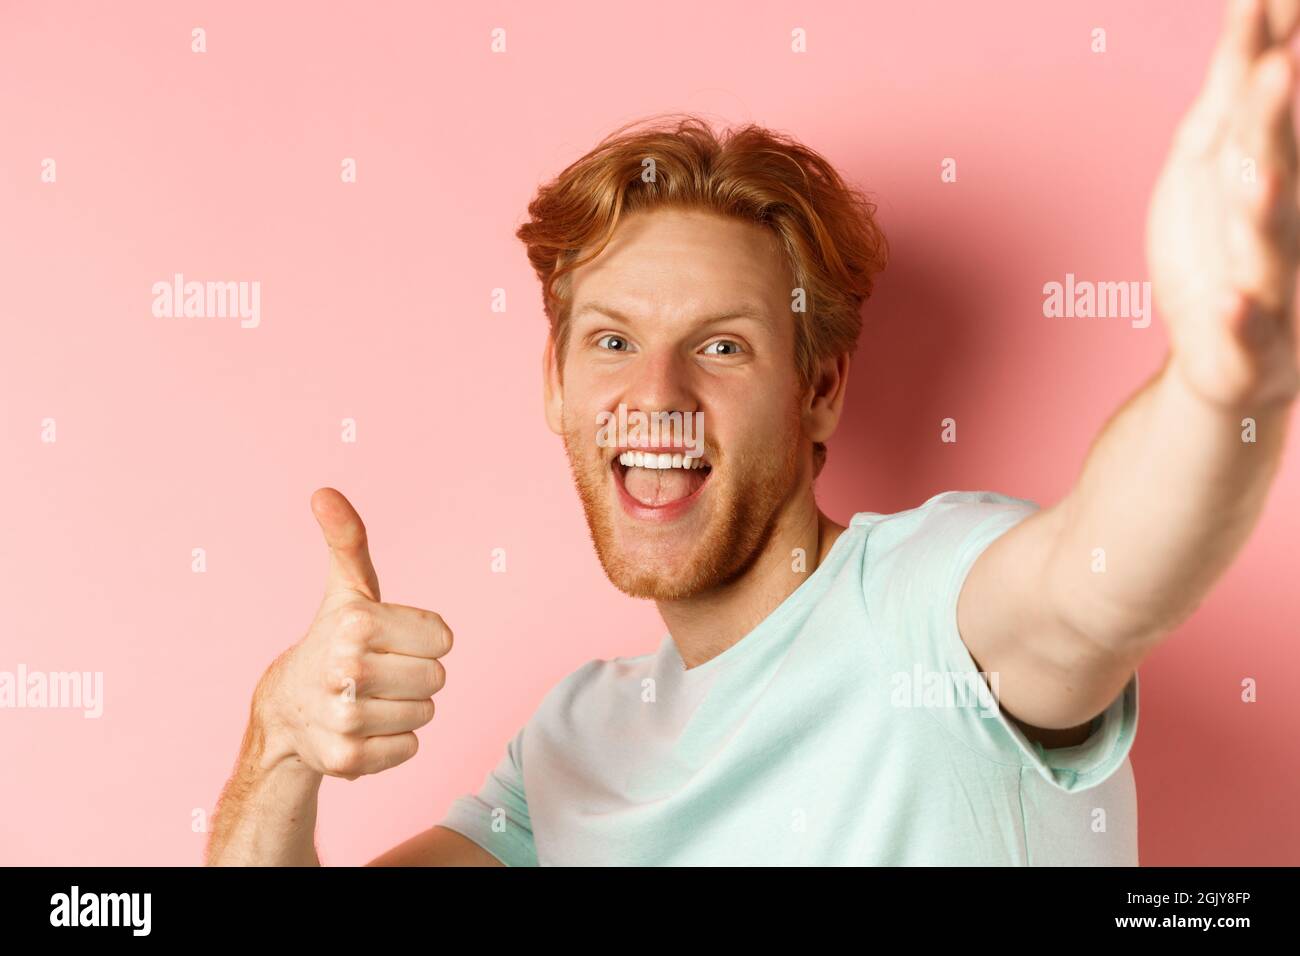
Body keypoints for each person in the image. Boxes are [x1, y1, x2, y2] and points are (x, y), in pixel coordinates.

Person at [206, 0, 1300, 865]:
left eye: (721, 346)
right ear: (553, 382)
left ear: (818, 390)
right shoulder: (576, 738)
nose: (658, 394)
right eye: (613, 342)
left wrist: (1222, 382)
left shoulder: (921, 604)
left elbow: (1097, 582)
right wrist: (281, 741)